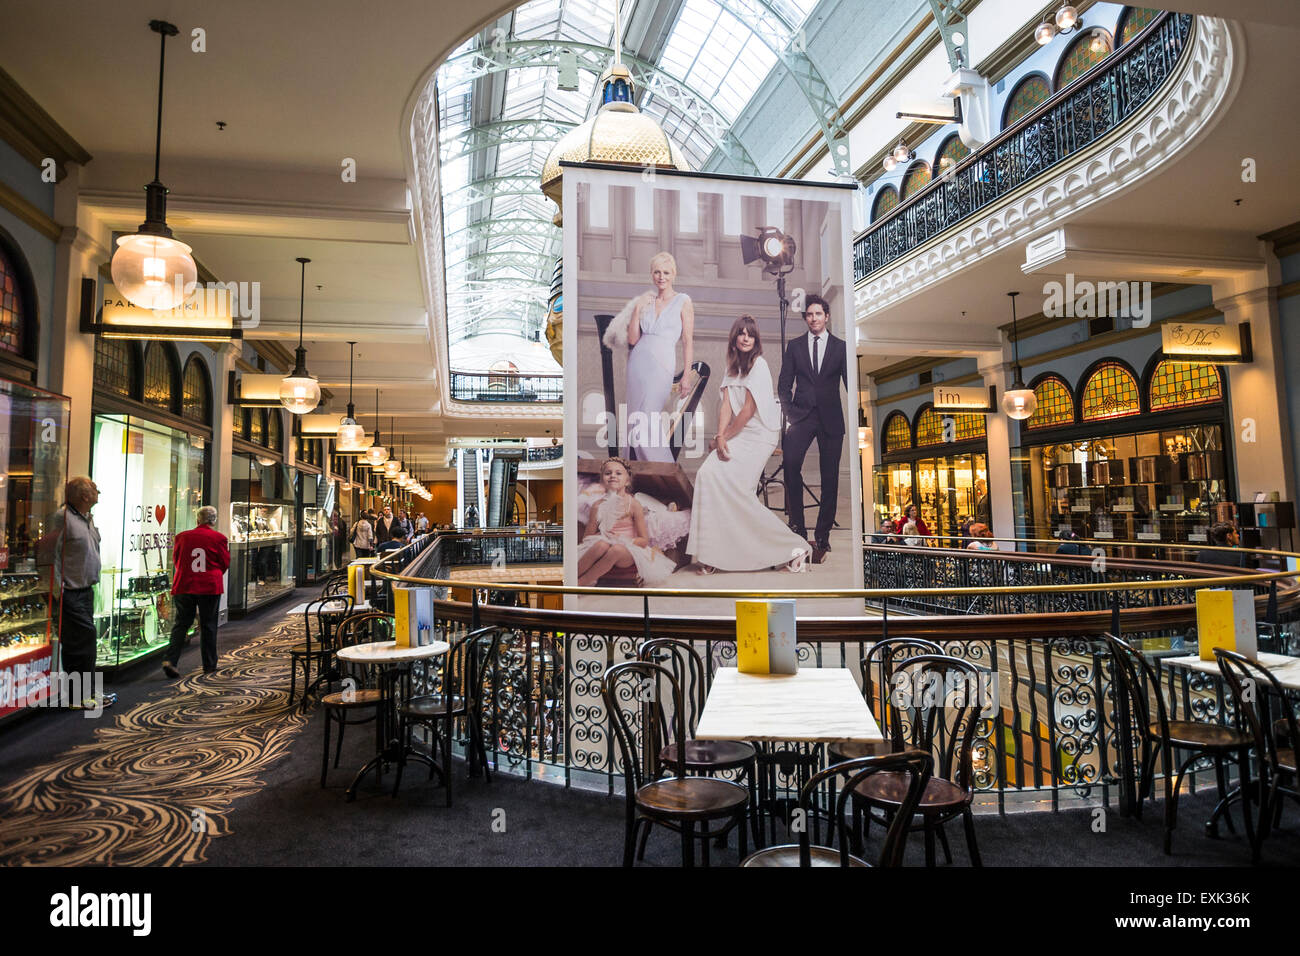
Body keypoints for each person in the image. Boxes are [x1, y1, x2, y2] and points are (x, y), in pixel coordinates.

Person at [687, 316, 812, 574]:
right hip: (738, 434)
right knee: (707, 474)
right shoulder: (730, 368)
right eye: (741, 334)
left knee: (740, 492)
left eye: (750, 335)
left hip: (759, 435)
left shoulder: (760, 365)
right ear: (734, 338)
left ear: (756, 340)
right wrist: (719, 434)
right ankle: (711, 553)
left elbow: (746, 411)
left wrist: (723, 438)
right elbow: (725, 407)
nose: (745, 338)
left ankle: (794, 547)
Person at [778, 293, 847, 563]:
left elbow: (848, 381)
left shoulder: (840, 347)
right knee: (791, 465)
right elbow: (784, 385)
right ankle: (797, 525)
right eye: (809, 314)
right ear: (805, 317)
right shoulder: (795, 346)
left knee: (830, 478)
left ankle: (823, 535)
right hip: (801, 416)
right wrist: (791, 414)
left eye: (818, 314)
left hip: (831, 418)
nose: (814, 318)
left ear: (826, 316)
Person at [41, 477, 114, 710]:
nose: (98, 491)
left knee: (83, 642)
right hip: (69, 592)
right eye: (93, 489)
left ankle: (87, 693)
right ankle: (77, 696)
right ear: (83, 496)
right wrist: (56, 590)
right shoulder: (62, 518)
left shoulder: (86, 518)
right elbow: (49, 554)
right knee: (82, 641)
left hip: (85, 590)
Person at [621, 251, 696, 463]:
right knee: (635, 419)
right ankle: (636, 473)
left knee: (648, 416)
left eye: (665, 272)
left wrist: (687, 376)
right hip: (638, 363)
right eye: (656, 272)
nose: (661, 277)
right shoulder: (646, 301)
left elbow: (687, 340)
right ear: (651, 275)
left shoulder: (683, 301)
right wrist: (637, 309)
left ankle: (663, 472)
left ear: (673, 274)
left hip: (662, 363)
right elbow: (633, 339)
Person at [578, 457, 675, 585]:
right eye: (608, 473)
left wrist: (622, 540)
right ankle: (570, 578)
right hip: (604, 546)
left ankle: (581, 582)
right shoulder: (597, 505)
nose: (613, 476)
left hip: (627, 550)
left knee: (616, 549)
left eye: (618, 473)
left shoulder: (633, 505)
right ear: (602, 481)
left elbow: (643, 540)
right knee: (601, 544)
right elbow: (587, 538)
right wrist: (603, 536)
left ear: (627, 481)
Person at [163, 506, 230, 678]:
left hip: (185, 584)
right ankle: (209, 664)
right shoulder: (219, 538)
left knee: (181, 623)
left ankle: (171, 660)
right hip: (208, 586)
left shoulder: (182, 537)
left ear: (197, 520)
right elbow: (224, 563)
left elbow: (177, 561)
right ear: (213, 521)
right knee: (208, 624)